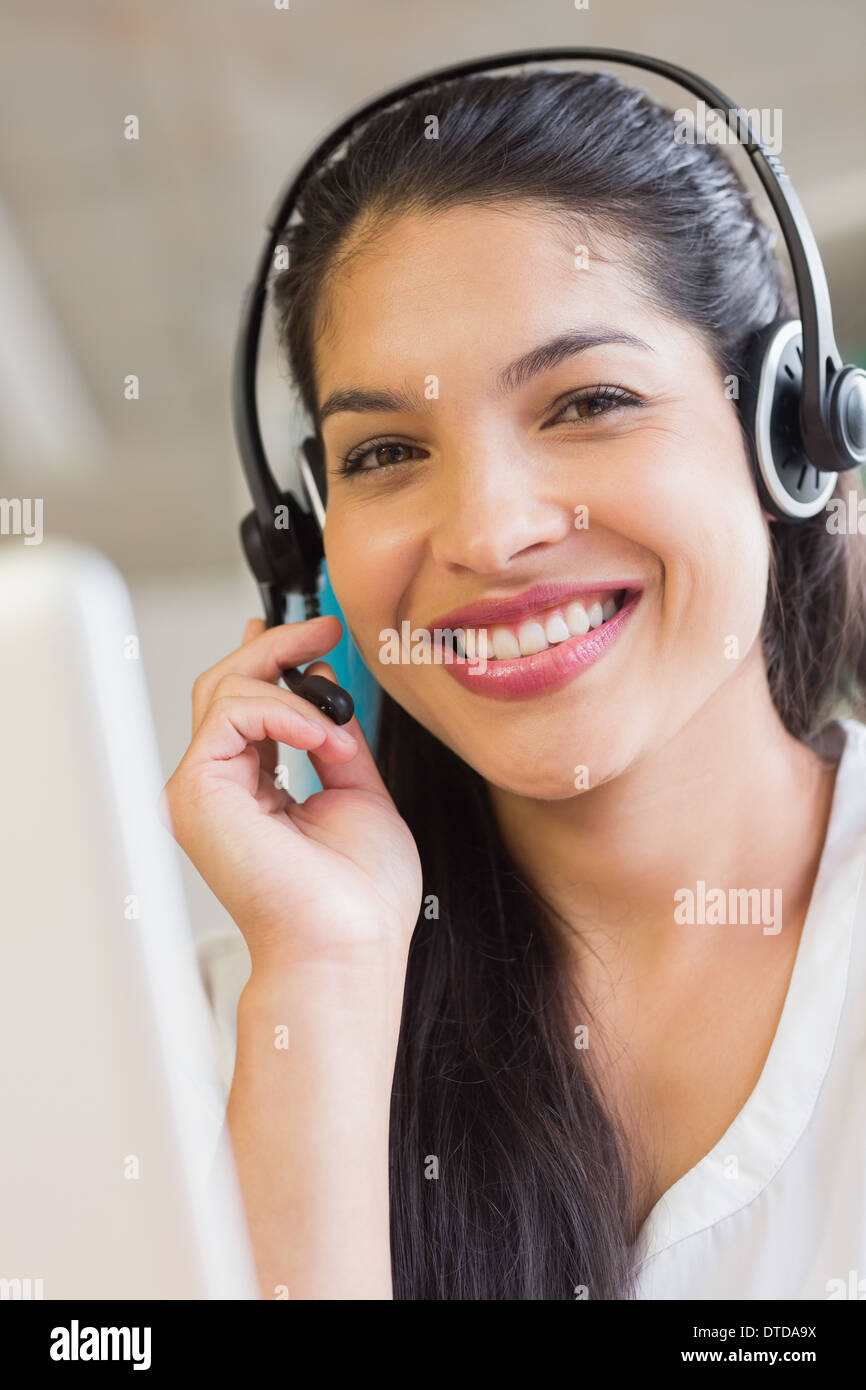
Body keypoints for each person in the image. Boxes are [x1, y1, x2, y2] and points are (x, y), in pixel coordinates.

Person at [164, 68, 866, 1300]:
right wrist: (326, 984)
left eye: (587, 401)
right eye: (384, 452)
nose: (486, 534)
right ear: (305, 538)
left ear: (786, 433)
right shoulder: (229, 1029)